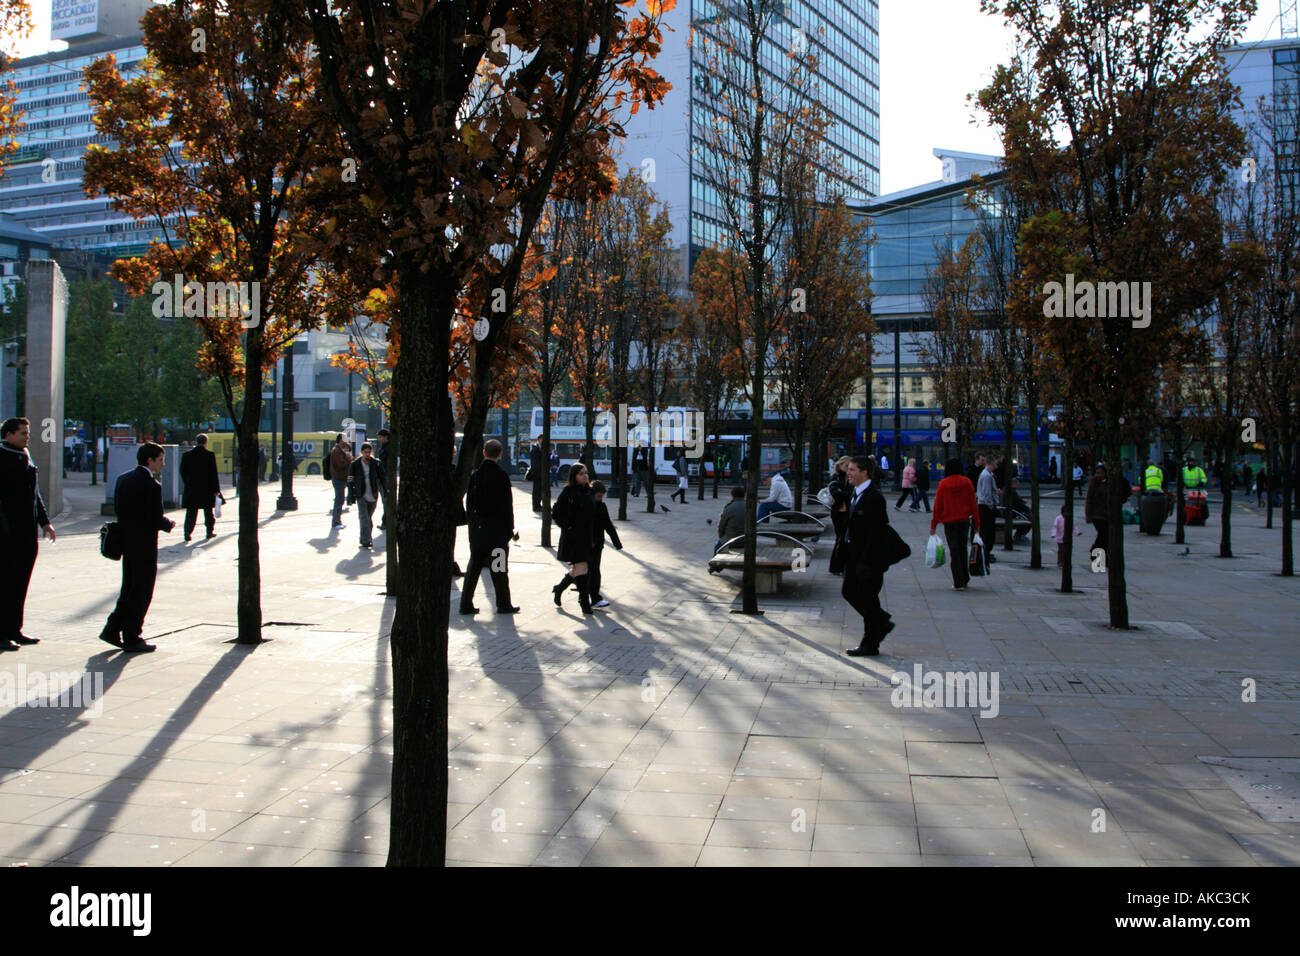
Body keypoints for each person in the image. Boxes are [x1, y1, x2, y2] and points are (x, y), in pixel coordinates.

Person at [100, 442, 175, 653]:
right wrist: (167, 524)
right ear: (149, 460)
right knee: (141, 591)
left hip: (127, 542)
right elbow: (153, 517)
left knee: (129, 588)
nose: (162, 464)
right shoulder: (152, 485)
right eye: (160, 460)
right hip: (144, 544)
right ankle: (132, 635)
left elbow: (119, 510)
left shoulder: (123, 479)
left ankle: (112, 628)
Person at [0, 418, 56, 651]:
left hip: (26, 530)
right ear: (9, 434)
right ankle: (2, 633)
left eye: (27, 433)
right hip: (7, 532)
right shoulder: (2, 456)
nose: (27, 436)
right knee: (6, 584)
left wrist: (44, 522)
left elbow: (35, 494)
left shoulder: (24, 453)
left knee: (20, 582)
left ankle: (15, 629)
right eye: (23, 433)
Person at [842, 456, 894, 657]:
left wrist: (867, 561)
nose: (849, 473)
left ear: (864, 472)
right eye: (848, 469)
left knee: (868, 598)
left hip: (868, 559)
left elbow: (877, 532)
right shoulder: (854, 493)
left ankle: (870, 643)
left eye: (853, 469)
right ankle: (880, 623)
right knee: (852, 592)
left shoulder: (874, 497)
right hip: (853, 555)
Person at [459, 439, 517, 614]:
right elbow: (507, 505)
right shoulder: (501, 475)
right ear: (500, 454)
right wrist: (509, 529)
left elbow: (469, 504)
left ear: (484, 453)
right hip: (497, 533)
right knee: (499, 570)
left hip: (478, 532)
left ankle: (465, 603)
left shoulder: (475, 476)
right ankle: (503, 603)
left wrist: (473, 525)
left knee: (473, 568)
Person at [551, 463, 595, 615]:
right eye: (581, 473)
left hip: (585, 536)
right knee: (582, 568)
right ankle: (584, 603)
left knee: (578, 569)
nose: (585, 475)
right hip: (573, 536)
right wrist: (567, 526)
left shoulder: (589, 491)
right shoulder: (568, 491)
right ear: (574, 476)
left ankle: (559, 589)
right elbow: (555, 512)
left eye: (586, 473)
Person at [931, 458, 980, 591]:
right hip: (964, 520)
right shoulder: (967, 482)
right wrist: (977, 522)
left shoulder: (943, 484)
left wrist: (934, 524)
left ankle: (958, 581)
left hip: (949, 521)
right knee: (963, 548)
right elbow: (973, 504)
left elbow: (938, 505)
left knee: (954, 550)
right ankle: (965, 577)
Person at [180, 434, 223, 542]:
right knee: (208, 512)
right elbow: (213, 474)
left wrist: (187, 482)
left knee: (191, 512)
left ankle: (187, 531)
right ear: (205, 442)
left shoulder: (187, 455)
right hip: (207, 489)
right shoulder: (209, 455)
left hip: (192, 488)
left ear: (196, 441)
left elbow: (182, 471)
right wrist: (216, 490)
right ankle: (209, 532)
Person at [587, 480, 623, 608]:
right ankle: (562, 588)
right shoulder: (587, 506)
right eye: (598, 497)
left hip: (598, 543)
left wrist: (617, 542)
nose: (600, 499)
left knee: (593, 571)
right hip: (587, 543)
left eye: (602, 497)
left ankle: (595, 598)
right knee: (585, 571)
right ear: (592, 494)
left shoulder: (602, 506)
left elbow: (608, 524)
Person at [1085, 462, 1128, 563]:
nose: (1099, 475)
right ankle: (1096, 554)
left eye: (1101, 473)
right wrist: (1088, 515)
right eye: (1097, 473)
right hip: (1097, 515)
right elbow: (1089, 500)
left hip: (1109, 515)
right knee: (1104, 535)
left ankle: (1101, 557)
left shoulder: (1111, 483)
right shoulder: (1093, 483)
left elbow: (1123, 492)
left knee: (1105, 537)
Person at [348, 442, 386, 549]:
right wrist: (350, 495)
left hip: (373, 494)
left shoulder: (376, 463)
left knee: (368, 518)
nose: (367, 454)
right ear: (361, 452)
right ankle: (366, 540)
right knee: (364, 517)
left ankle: (366, 536)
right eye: (365, 452)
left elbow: (382, 478)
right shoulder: (355, 464)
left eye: (369, 452)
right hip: (361, 494)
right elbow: (350, 480)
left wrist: (385, 490)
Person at [827, 456, 853, 574]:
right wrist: (847, 494)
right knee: (840, 538)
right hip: (839, 511)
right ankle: (836, 566)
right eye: (846, 466)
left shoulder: (848, 478)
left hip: (846, 511)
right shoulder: (836, 477)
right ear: (840, 465)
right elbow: (836, 493)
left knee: (843, 539)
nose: (848, 469)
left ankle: (840, 566)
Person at [976, 456, 1000, 554]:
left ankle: (985, 551)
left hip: (984, 505)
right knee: (988, 531)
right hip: (986, 507)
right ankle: (986, 551)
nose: (997, 465)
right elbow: (987, 493)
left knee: (986, 531)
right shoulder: (987, 475)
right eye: (995, 463)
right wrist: (991, 506)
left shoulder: (987, 474)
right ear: (991, 463)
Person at [715, 485, 746, 554]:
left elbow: (721, 526)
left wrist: (722, 537)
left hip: (731, 540)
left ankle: (714, 564)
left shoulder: (729, 507)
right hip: (746, 540)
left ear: (732, 496)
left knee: (717, 547)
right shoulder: (750, 506)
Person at [374, 429, 391, 529]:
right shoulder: (384, 447)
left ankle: (386, 522)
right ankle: (386, 521)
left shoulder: (388, 449)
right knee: (385, 501)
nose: (379, 439)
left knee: (386, 501)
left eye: (381, 437)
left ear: (386, 437)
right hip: (382, 477)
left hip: (385, 478)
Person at [530, 441, 546, 511]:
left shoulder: (538, 449)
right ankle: (536, 506)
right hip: (537, 473)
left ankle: (538, 505)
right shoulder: (535, 450)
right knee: (537, 490)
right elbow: (536, 463)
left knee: (539, 490)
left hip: (540, 472)